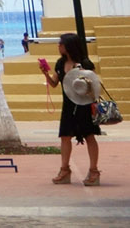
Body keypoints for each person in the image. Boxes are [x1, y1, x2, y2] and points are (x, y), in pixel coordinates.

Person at [40, 32, 102, 186]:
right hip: (68, 106)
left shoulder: (85, 63)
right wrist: (45, 74)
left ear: (68, 46)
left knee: (89, 136)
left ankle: (94, 171)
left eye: (61, 44)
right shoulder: (60, 64)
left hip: (84, 106)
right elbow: (55, 83)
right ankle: (64, 170)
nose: (58, 46)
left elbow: (94, 84)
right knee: (65, 137)